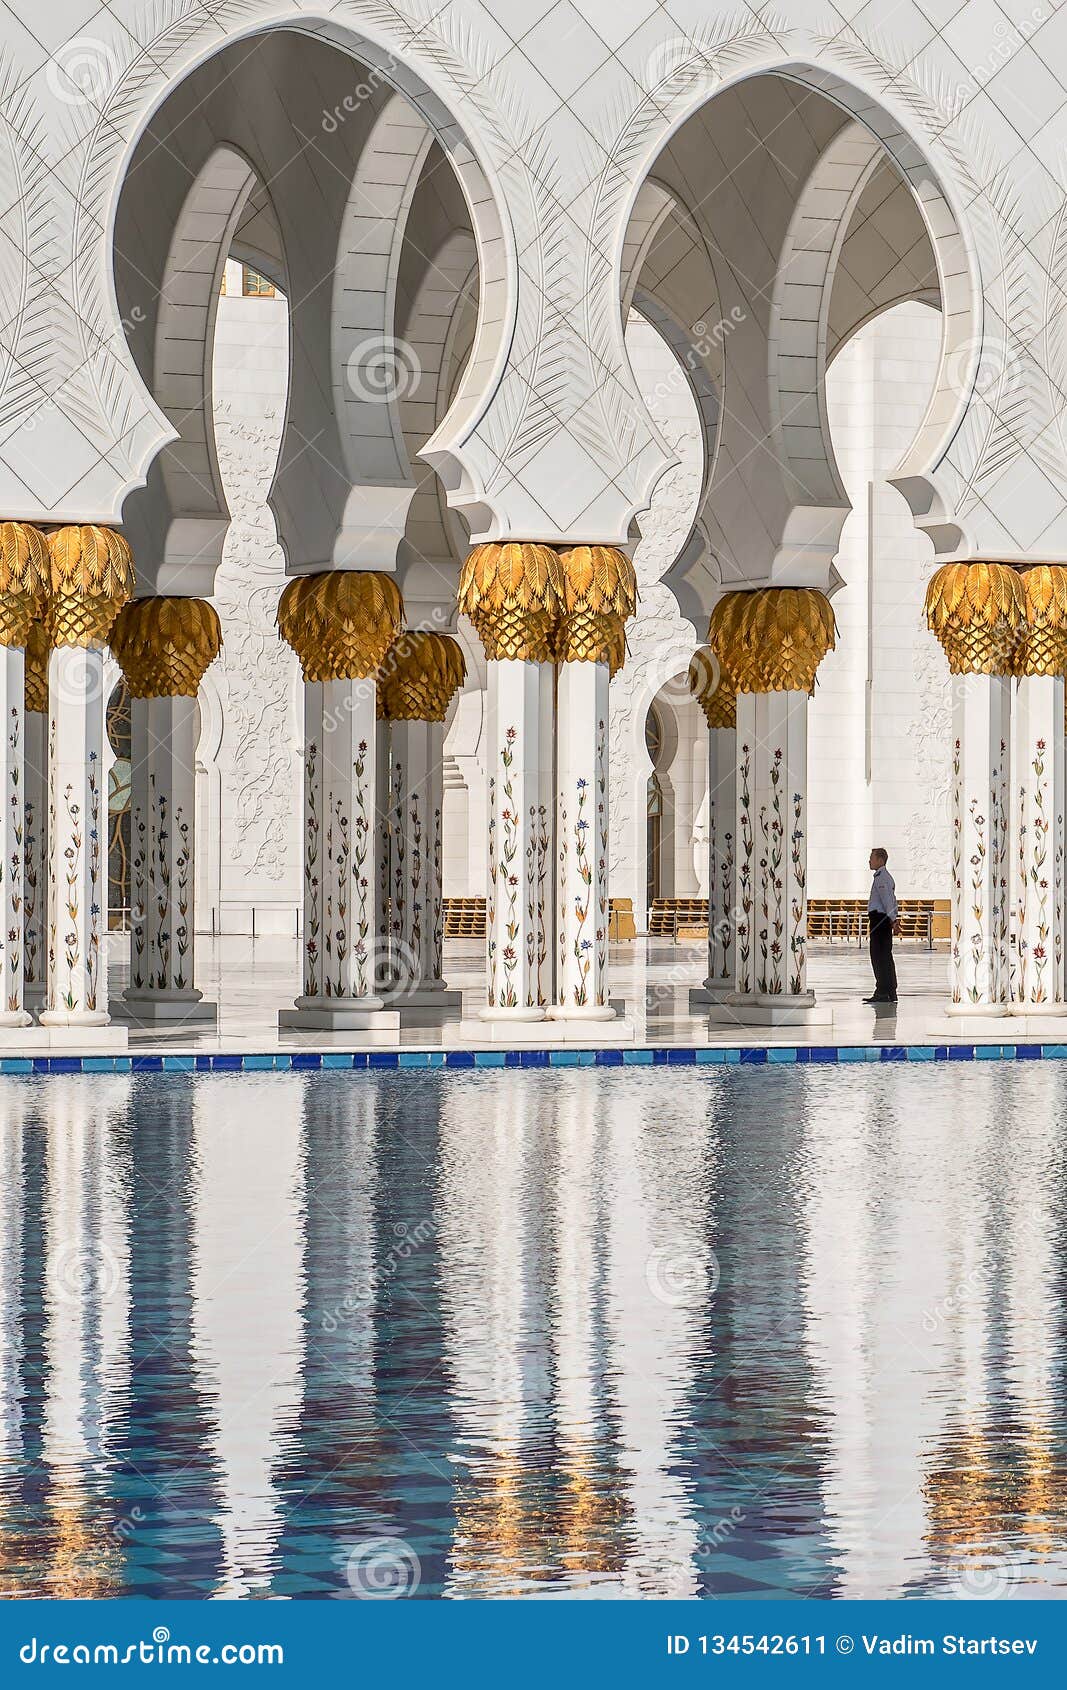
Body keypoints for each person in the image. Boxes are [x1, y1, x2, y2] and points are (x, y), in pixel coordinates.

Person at [864, 847, 899, 1005]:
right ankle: (889, 991)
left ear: (880, 860)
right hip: (883, 919)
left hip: (880, 919)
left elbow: (887, 901)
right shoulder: (883, 877)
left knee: (879, 956)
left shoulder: (881, 877)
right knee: (885, 955)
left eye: (872, 858)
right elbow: (891, 900)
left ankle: (883, 991)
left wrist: (893, 920)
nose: (869, 861)